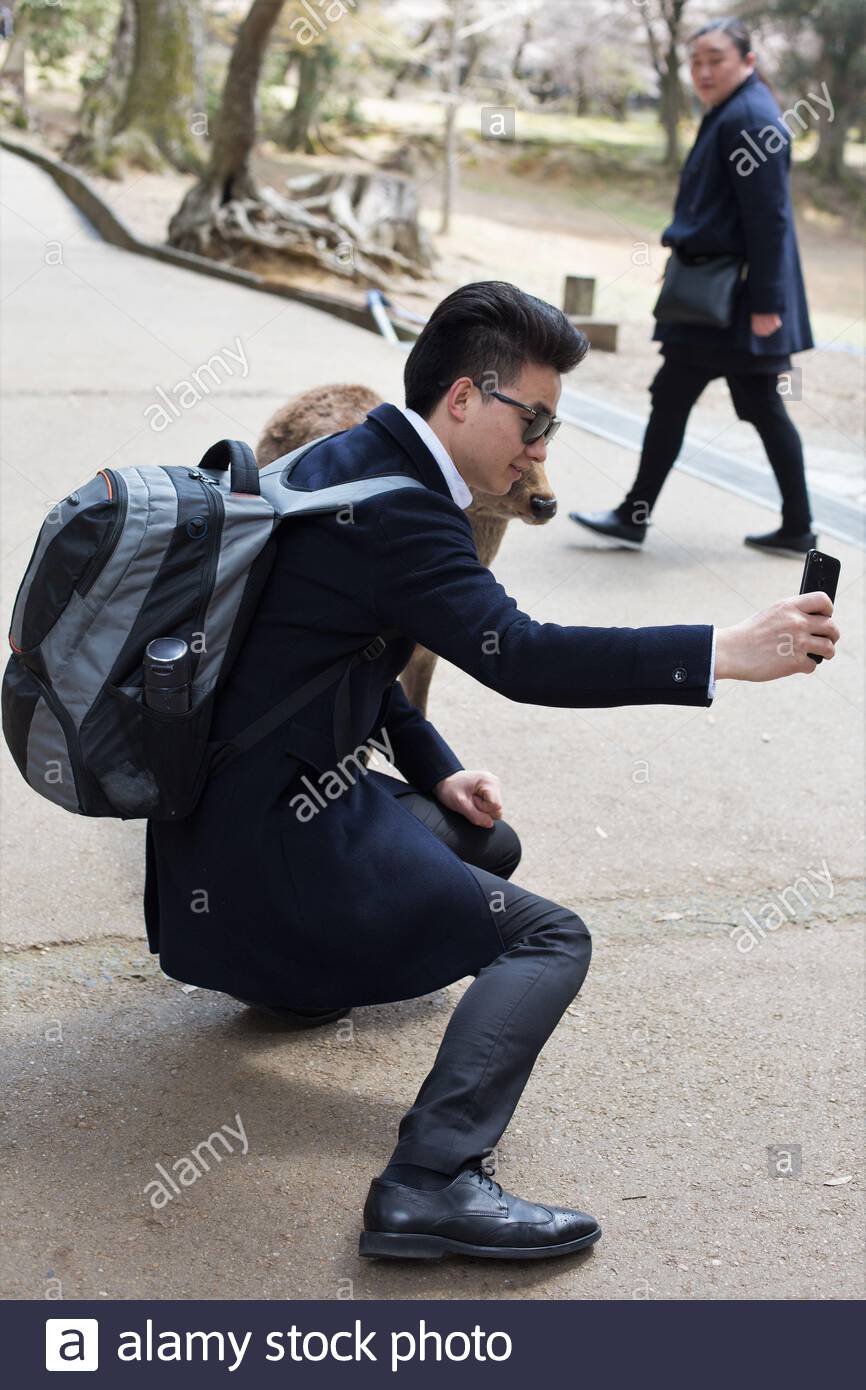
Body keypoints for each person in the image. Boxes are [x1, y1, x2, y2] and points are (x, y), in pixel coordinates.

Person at [144, 281, 838, 1262]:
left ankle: (299, 980)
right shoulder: (404, 515)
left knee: (484, 837)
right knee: (551, 941)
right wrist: (724, 646)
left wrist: (437, 768)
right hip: (271, 850)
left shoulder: (351, 457)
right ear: (462, 400)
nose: (540, 453)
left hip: (208, 856)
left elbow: (341, 659)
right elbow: (523, 654)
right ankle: (426, 1182)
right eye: (535, 420)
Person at [570, 16, 817, 558]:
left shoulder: (749, 116)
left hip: (734, 300)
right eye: (696, 61)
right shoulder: (732, 110)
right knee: (747, 406)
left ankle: (634, 517)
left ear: (747, 61)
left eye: (716, 59)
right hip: (717, 295)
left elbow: (770, 218)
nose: (703, 71)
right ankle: (797, 527)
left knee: (680, 398)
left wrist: (768, 304)